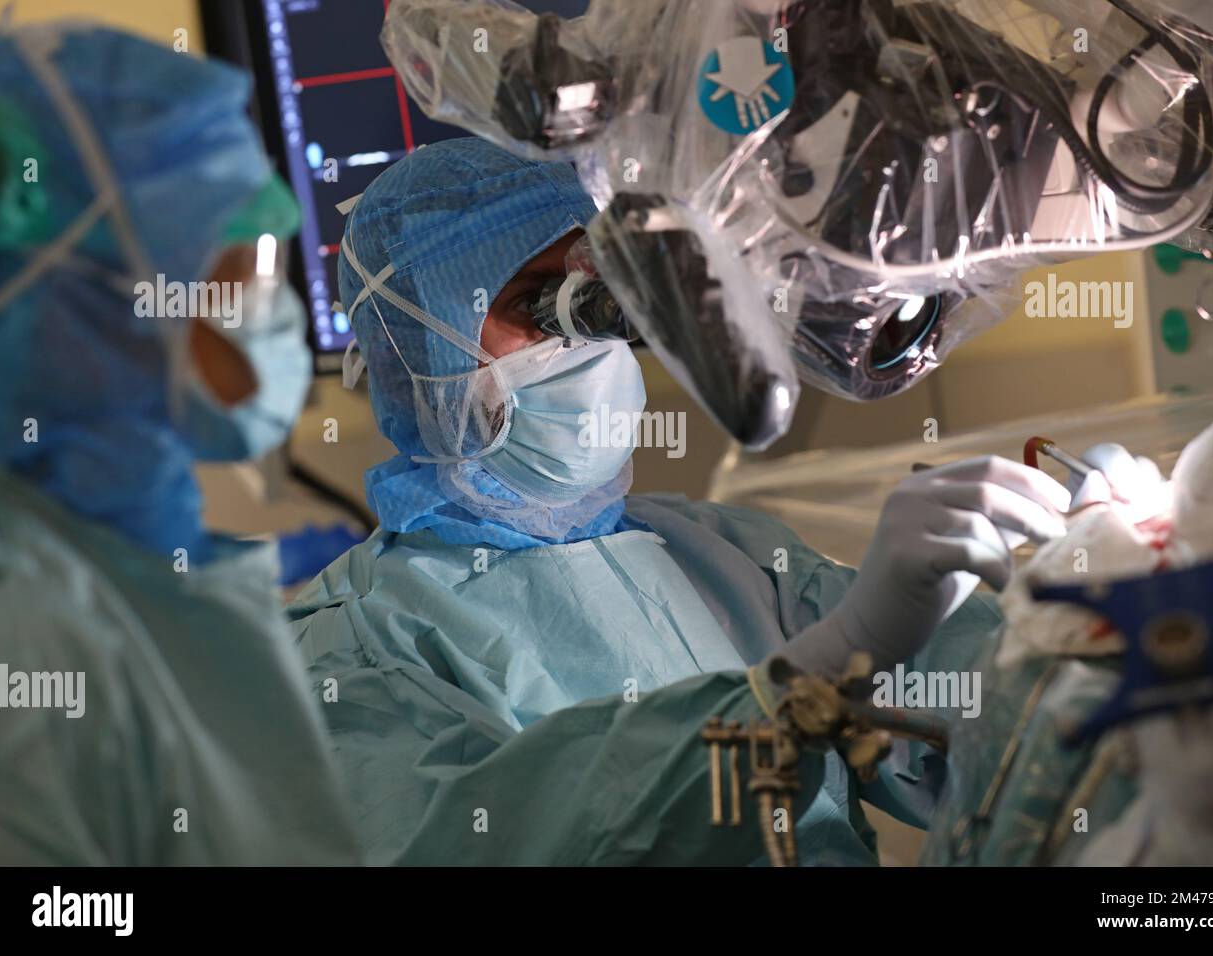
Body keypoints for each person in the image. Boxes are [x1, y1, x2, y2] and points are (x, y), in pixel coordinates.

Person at [290, 136, 1084, 865]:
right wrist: (786, 699)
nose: (590, 340)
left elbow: (998, 743)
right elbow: (505, 838)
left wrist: (1099, 606)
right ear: (420, 355)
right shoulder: (354, 653)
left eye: (597, 295)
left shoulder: (725, 554)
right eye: (538, 303)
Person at [0, 22, 357, 864]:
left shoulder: (123, 558)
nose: (268, 296)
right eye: (237, 251)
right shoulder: (17, 652)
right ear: (59, 270)